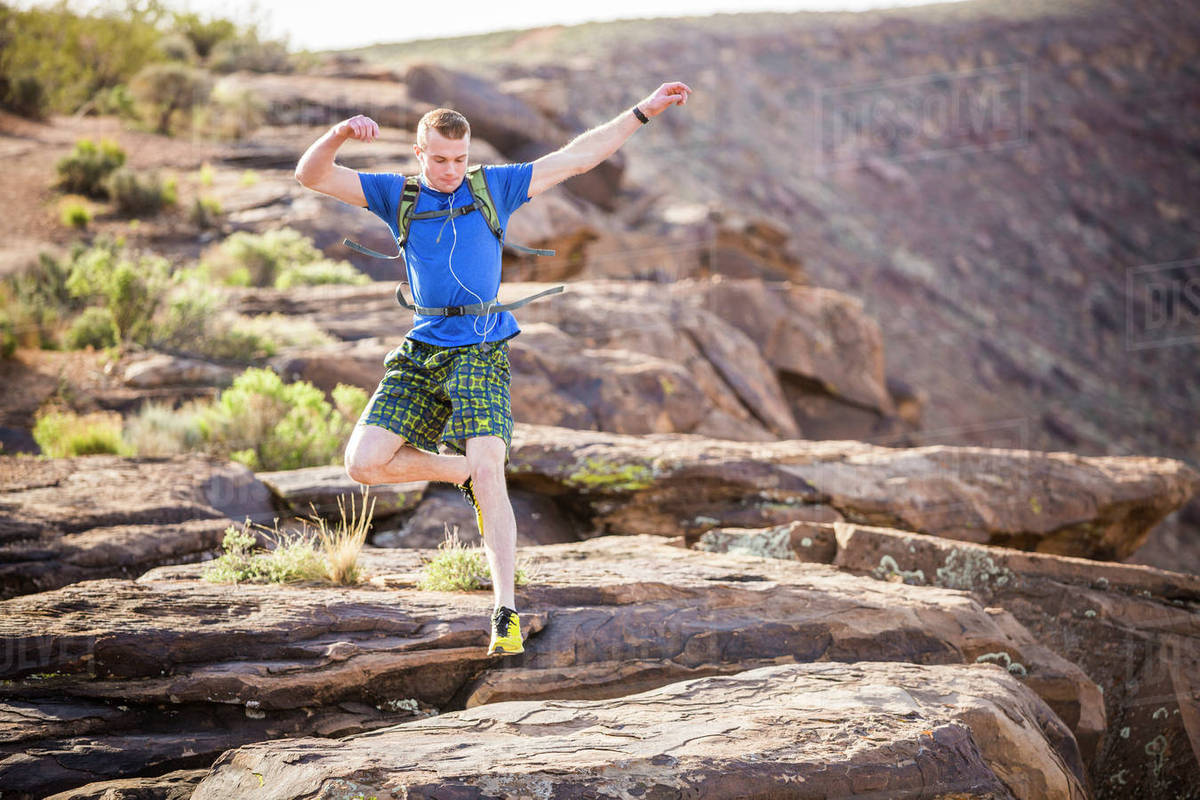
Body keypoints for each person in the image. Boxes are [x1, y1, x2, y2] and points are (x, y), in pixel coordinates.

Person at [294, 80, 693, 657]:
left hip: (482, 342)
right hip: (424, 345)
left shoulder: (493, 187)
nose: (451, 169)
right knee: (363, 465)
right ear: (419, 154)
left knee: (491, 468)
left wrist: (641, 112)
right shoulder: (395, 195)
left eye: (459, 158)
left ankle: (504, 609)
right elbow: (311, 175)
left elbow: (578, 157)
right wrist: (337, 135)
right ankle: (460, 472)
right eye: (439, 159)